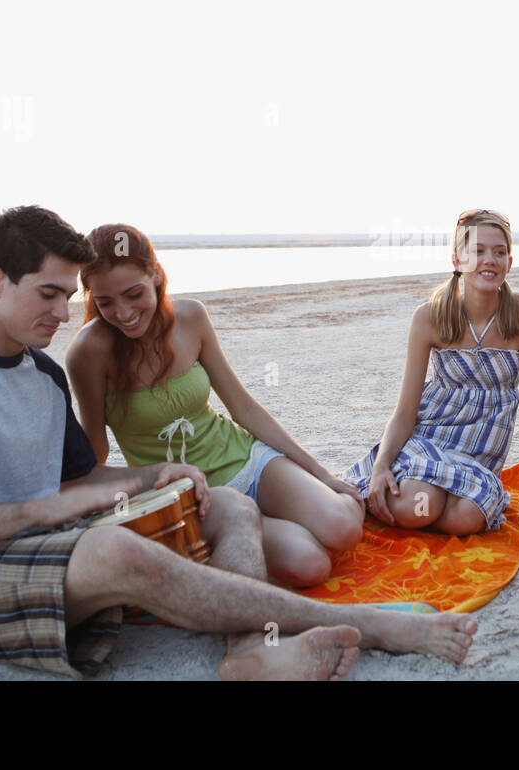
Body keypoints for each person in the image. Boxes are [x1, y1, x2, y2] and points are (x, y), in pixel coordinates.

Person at [0, 205, 477, 681]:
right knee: (117, 552)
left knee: (231, 505)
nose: (66, 314)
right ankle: (376, 626)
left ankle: (250, 653)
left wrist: (152, 476)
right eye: (50, 294)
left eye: (68, 297)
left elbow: (76, 482)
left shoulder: (40, 378)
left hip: (31, 547)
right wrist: (36, 512)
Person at [67, 224, 363, 588]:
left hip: (245, 460)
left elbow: (243, 407)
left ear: (155, 276)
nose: (123, 313)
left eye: (133, 294)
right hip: (193, 497)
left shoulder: (191, 318)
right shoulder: (88, 352)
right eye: (105, 302)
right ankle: (231, 544)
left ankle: (303, 506)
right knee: (310, 565)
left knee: (344, 527)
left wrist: (322, 474)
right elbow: (94, 452)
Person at [344, 209, 519, 533]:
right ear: (457, 261)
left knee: (466, 519)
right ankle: (412, 485)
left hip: (481, 453)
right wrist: (381, 467)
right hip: (430, 439)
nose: (490, 260)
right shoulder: (429, 317)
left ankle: (436, 499)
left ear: (509, 263)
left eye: (499, 252)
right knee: (418, 507)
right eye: (477, 251)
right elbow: (404, 412)